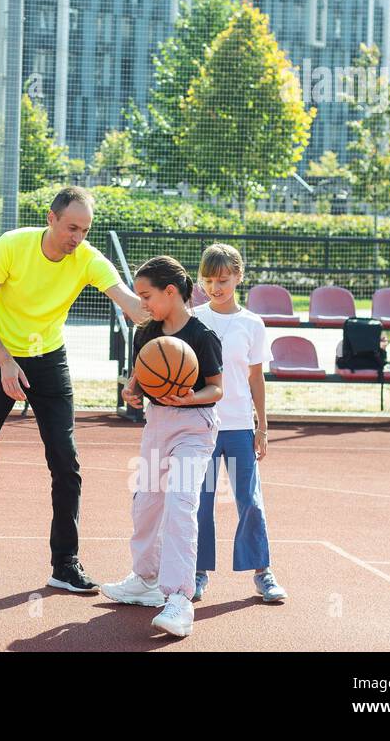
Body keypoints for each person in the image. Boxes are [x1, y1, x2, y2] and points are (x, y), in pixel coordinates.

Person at [0, 186, 146, 593]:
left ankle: (65, 564)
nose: (78, 238)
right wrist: (4, 361)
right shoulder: (12, 246)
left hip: (50, 361)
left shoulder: (86, 258)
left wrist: (173, 316)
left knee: (66, 463)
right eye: (72, 228)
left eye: (85, 230)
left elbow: (130, 303)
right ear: (51, 219)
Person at [103, 256, 222, 638]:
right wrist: (131, 390)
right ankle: (145, 579)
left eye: (147, 295)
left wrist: (191, 398)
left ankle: (179, 599)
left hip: (194, 427)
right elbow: (141, 376)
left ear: (171, 292)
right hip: (158, 425)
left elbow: (217, 389)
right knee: (147, 502)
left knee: (180, 504)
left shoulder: (203, 336)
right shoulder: (146, 332)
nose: (143, 304)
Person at [192, 243, 285, 603]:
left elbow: (255, 378)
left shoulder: (252, 323)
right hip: (202, 425)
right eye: (210, 280)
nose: (216, 287)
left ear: (238, 277)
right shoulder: (194, 319)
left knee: (251, 501)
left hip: (239, 427)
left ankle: (263, 573)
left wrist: (262, 426)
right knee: (201, 501)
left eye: (223, 279)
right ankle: (197, 573)